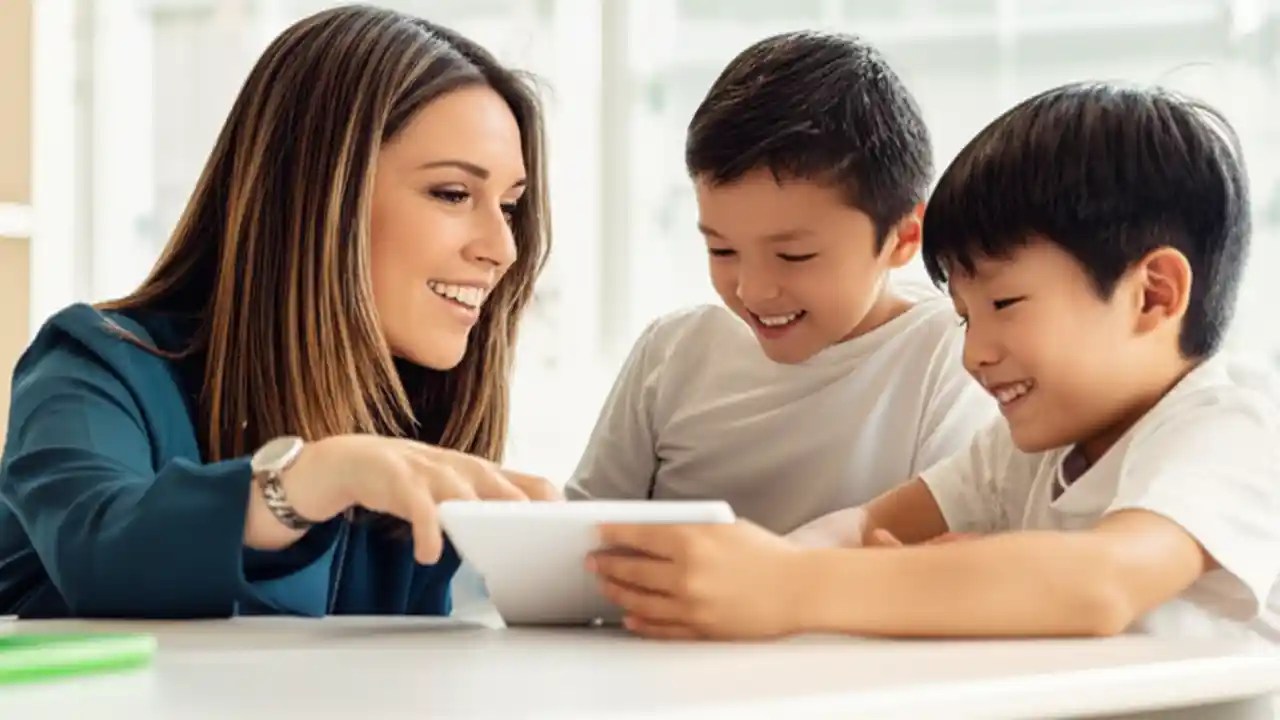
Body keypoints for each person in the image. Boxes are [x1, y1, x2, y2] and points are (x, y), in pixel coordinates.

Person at [588, 83, 1280, 646]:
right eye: (966, 316)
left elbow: (1098, 584)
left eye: (1005, 304)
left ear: (1153, 294)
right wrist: (762, 568)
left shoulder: (1229, 428)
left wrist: (792, 587)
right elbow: (862, 526)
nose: (975, 353)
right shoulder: (1022, 455)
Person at [0, 4, 558, 619]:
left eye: (509, 206)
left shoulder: (412, 418)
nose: (503, 248)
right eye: (452, 193)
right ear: (319, 197)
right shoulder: (93, 367)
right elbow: (101, 550)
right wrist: (308, 481)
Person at [566, 31, 995, 533]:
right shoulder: (674, 353)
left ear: (903, 238)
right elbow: (573, 539)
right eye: (722, 250)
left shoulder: (954, 356)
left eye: (794, 256)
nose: (753, 291)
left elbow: (954, 555)